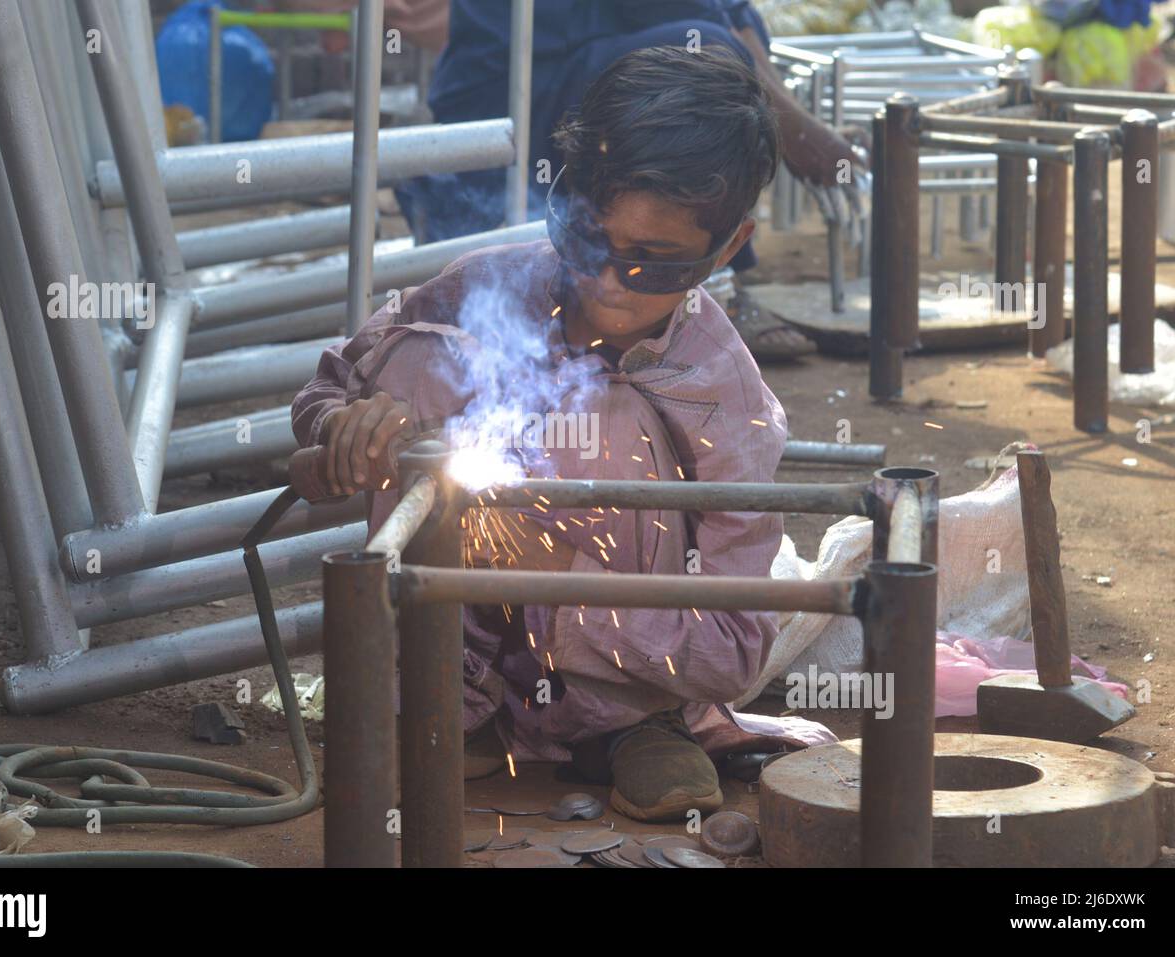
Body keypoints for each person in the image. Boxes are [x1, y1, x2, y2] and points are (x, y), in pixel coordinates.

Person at [293, 46, 791, 822]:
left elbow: (733, 647)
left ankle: (636, 725)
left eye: (650, 262)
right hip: (447, 668)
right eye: (588, 238)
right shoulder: (486, 286)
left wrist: (558, 572)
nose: (603, 279)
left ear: (725, 248)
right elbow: (328, 385)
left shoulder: (725, 399)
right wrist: (344, 427)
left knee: (616, 413)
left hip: (623, 690)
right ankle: (456, 703)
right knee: (426, 357)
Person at [396, 0, 859, 358]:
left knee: (722, 64)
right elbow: (695, 20)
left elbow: (731, 13)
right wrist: (799, 131)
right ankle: (663, 285)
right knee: (701, 51)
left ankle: (697, 284)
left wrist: (784, 121)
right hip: (514, 93)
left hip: (576, 63)